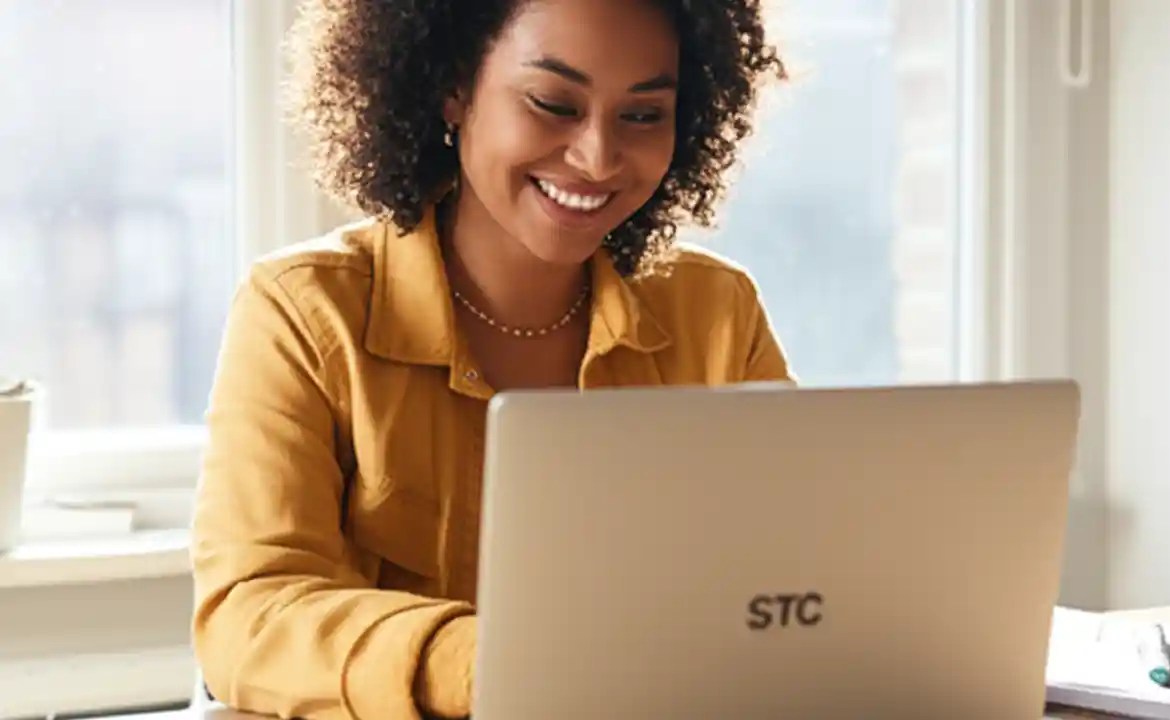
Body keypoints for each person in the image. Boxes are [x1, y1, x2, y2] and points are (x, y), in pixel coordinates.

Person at [190, 0, 790, 717]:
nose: (597, 157)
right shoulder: (302, 310)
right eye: (552, 104)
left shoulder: (716, 312)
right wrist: (497, 665)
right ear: (453, 86)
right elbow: (249, 615)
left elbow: (795, 586)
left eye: (641, 116)